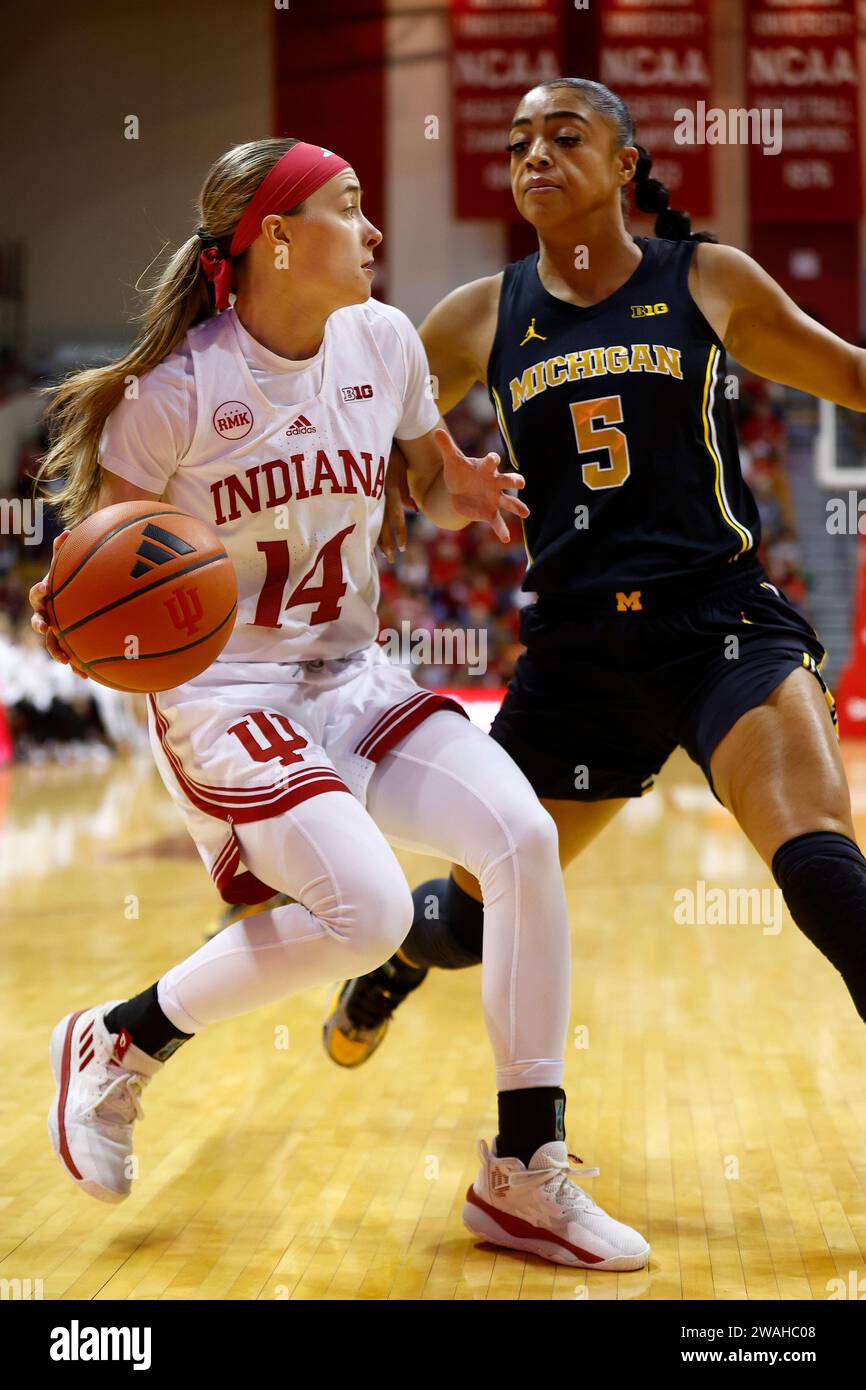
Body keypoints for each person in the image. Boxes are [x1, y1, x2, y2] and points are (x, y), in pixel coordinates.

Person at [30, 137, 649, 1270]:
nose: (372, 232)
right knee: (365, 914)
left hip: (353, 671)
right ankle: (122, 1042)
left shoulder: (383, 340)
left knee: (518, 837)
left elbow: (423, 468)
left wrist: (457, 486)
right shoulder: (171, 398)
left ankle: (521, 1170)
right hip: (223, 691)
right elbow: (104, 560)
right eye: (349, 209)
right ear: (274, 238)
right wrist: (79, 612)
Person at [324, 79, 866, 1096]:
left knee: (821, 863)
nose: (533, 154)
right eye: (519, 140)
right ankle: (394, 961)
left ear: (623, 165)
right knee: (468, 922)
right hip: (576, 654)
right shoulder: (477, 313)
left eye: (563, 137)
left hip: (718, 625)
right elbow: (368, 447)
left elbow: (848, 374)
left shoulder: (705, 280)